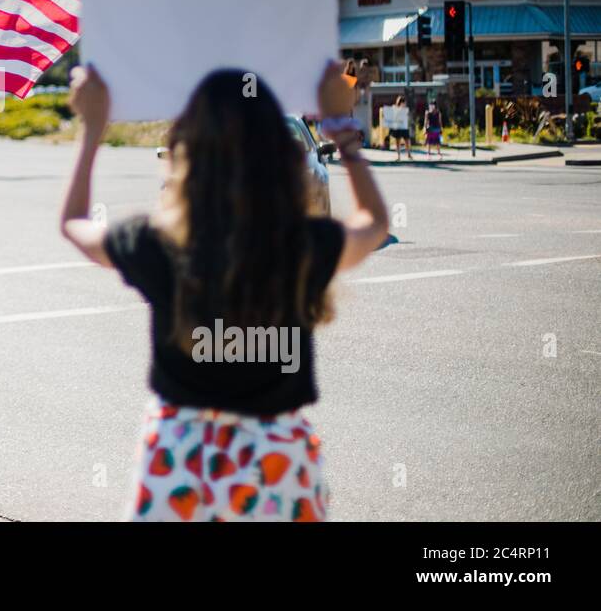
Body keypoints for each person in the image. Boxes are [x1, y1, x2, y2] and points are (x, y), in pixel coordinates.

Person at [60, 62, 388, 521]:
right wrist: (341, 129)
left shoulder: (159, 244)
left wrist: (92, 127)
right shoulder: (299, 246)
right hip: (278, 467)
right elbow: (374, 224)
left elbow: (73, 224)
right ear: (281, 158)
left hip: (178, 465)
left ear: (184, 154)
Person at [388, 95, 412, 160]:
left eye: (404, 103)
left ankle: (409, 154)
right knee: (397, 142)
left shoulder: (405, 109)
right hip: (398, 127)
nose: (404, 104)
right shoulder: (395, 108)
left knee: (407, 141)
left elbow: (407, 118)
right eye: (403, 103)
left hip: (404, 127)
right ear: (400, 102)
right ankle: (398, 156)